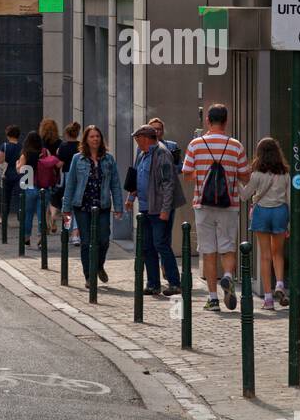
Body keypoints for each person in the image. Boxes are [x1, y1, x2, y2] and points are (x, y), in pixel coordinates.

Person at [182, 104, 250, 311]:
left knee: (208, 251)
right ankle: (228, 276)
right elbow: (245, 176)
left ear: (207, 121)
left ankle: (212, 299)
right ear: (226, 121)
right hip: (229, 205)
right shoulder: (235, 146)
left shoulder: (195, 144)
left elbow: (186, 174)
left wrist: (202, 176)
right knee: (227, 247)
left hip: (203, 204)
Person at [124, 125, 184, 297]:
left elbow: (168, 184)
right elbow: (137, 178)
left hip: (158, 209)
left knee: (160, 244)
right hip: (146, 208)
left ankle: (174, 283)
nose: (136, 142)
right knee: (147, 247)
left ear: (146, 138)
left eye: (138, 138)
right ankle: (153, 284)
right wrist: (131, 198)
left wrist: (165, 210)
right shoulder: (143, 154)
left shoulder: (162, 153)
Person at [62, 126, 123, 284]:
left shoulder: (109, 159)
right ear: (86, 140)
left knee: (103, 239)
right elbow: (71, 184)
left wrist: (118, 207)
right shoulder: (78, 158)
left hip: (102, 206)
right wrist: (66, 209)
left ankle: (99, 266)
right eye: (92, 137)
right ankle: (89, 276)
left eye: (98, 136)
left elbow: (115, 184)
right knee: (87, 241)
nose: (95, 139)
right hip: (82, 206)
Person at [240, 137, 291, 310]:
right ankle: (280, 284)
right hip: (280, 213)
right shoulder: (285, 174)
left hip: (262, 212)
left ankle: (268, 299)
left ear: (259, 154)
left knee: (265, 255)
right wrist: (288, 224)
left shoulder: (256, 174)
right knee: (278, 253)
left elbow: (245, 195)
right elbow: (289, 199)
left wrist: (236, 182)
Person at [55, 122, 81, 245]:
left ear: (66, 133)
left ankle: (68, 229)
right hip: (80, 177)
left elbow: (58, 164)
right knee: (78, 206)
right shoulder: (81, 146)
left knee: (68, 206)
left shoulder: (63, 146)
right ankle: (76, 233)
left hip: (67, 177)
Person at [17, 131, 43, 243]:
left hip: (29, 186)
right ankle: (41, 236)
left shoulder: (25, 154)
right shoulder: (43, 152)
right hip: (43, 187)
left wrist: (17, 164)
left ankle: (26, 237)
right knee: (41, 214)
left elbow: (20, 170)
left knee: (28, 214)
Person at [0, 125, 22, 227]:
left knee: (6, 198)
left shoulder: (4, 146)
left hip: (7, 175)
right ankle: (20, 216)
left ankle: (3, 218)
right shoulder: (21, 147)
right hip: (19, 175)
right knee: (19, 197)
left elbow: (0, 160)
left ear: (8, 135)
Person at [38, 118, 62, 233]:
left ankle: (46, 224)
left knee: (44, 198)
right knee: (53, 198)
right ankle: (52, 218)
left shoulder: (40, 142)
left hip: (42, 175)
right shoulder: (59, 143)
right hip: (55, 174)